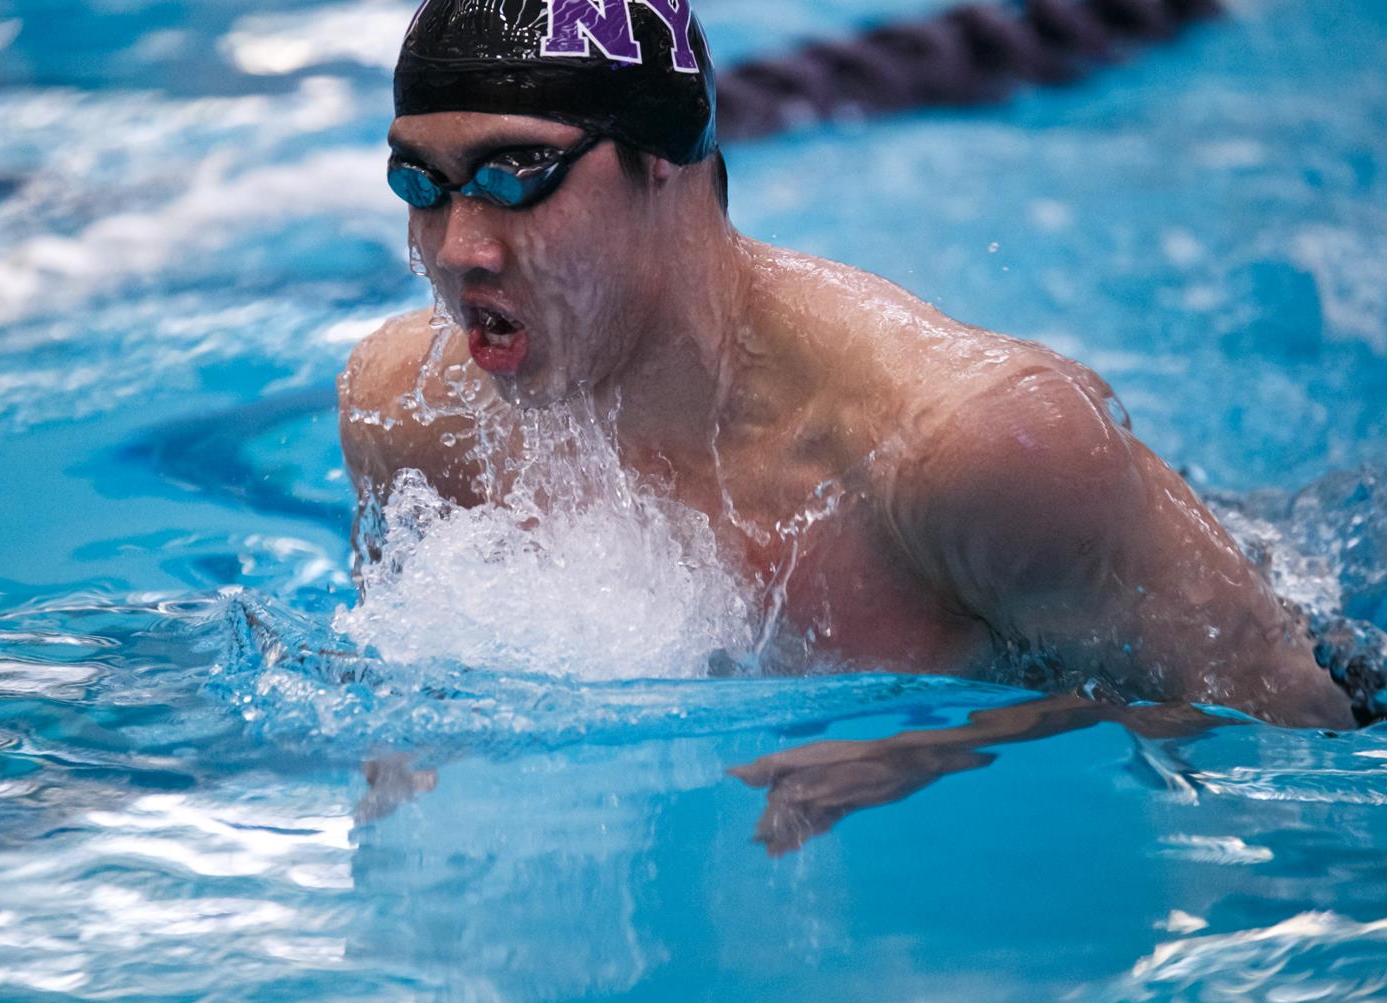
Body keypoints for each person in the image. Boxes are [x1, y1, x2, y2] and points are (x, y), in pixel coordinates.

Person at [338, 0, 1355, 749]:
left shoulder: (969, 448)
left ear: (666, 160)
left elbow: (1299, 734)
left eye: (519, 173)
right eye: (420, 184)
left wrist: (946, 738)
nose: (460, 247)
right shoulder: (406, 413)